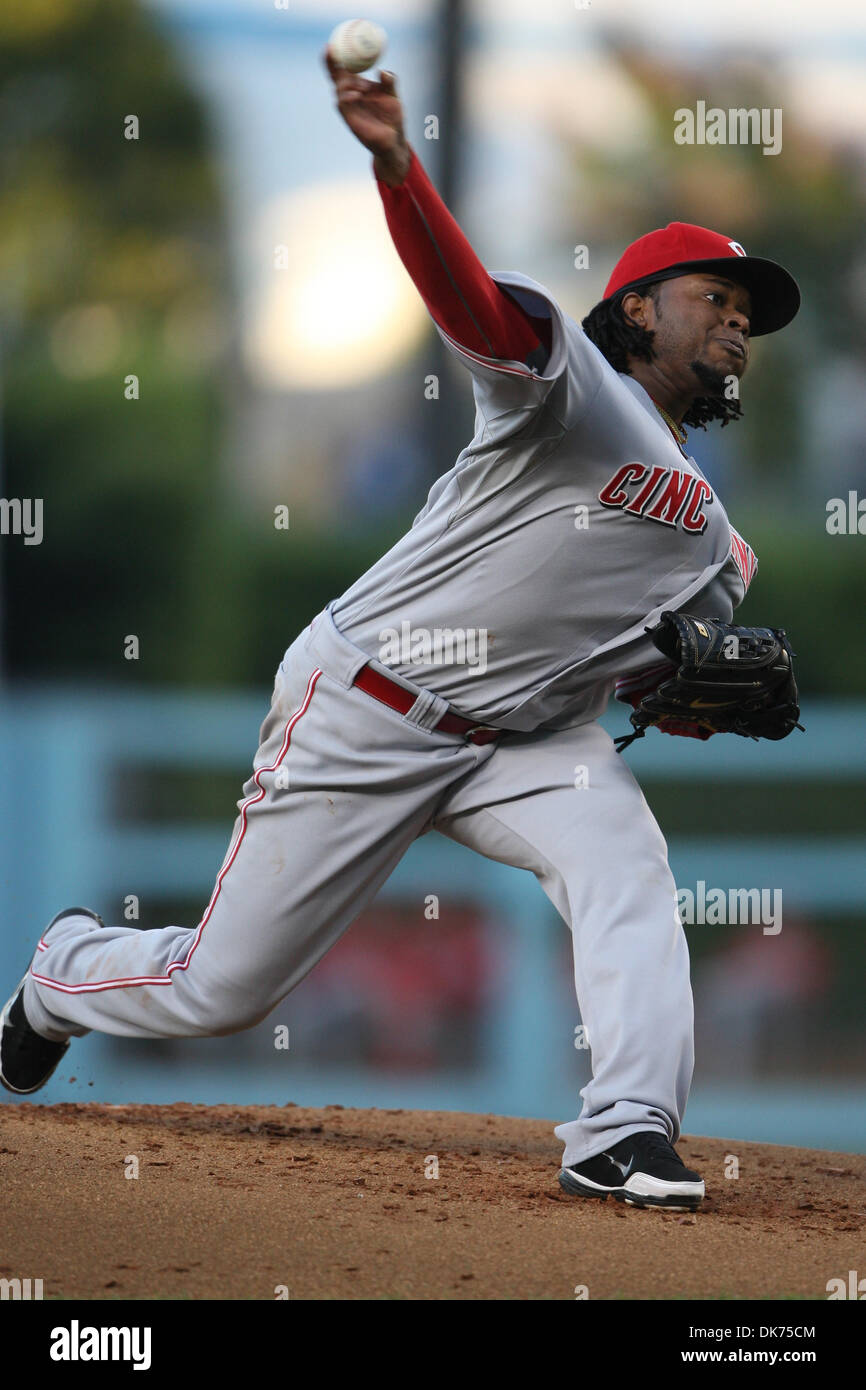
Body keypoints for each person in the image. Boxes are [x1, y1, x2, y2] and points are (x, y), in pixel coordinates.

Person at [0, 52, 800, 1213]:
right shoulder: (567, 390)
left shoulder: (720, 550)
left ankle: (624, 1129)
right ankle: (63, 971)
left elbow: (651, 683)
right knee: (221, 992)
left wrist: (686, 694)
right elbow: (467, 300)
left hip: (526, 741)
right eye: (709, 294)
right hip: (369, 702)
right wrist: (394, 168)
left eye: (747, 311)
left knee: (625, 863)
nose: (734, 317)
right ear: (633, 306)